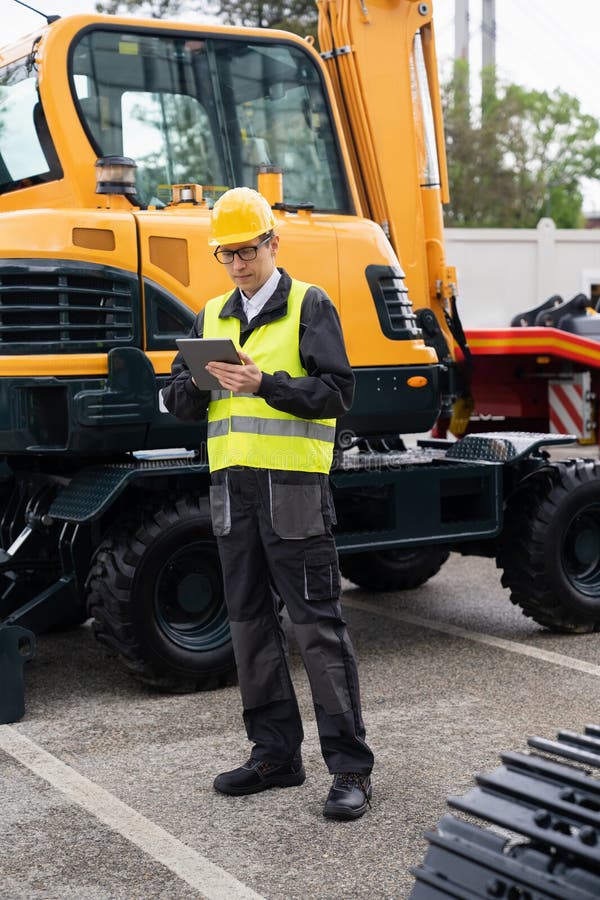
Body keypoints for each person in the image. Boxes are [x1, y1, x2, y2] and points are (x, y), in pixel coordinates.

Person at [162, 187, 374, 820]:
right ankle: (275, 755)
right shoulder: (210, 316)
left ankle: (352, 770)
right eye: (226, 254)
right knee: (249, 626)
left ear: (272, 245)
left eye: (247, 251)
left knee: (317, 630)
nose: (237, 264)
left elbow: (337, 394)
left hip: (296, 495)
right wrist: (196, 388)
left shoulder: (310, 305)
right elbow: (174, 397)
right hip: (233, 493)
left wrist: (266, 384)